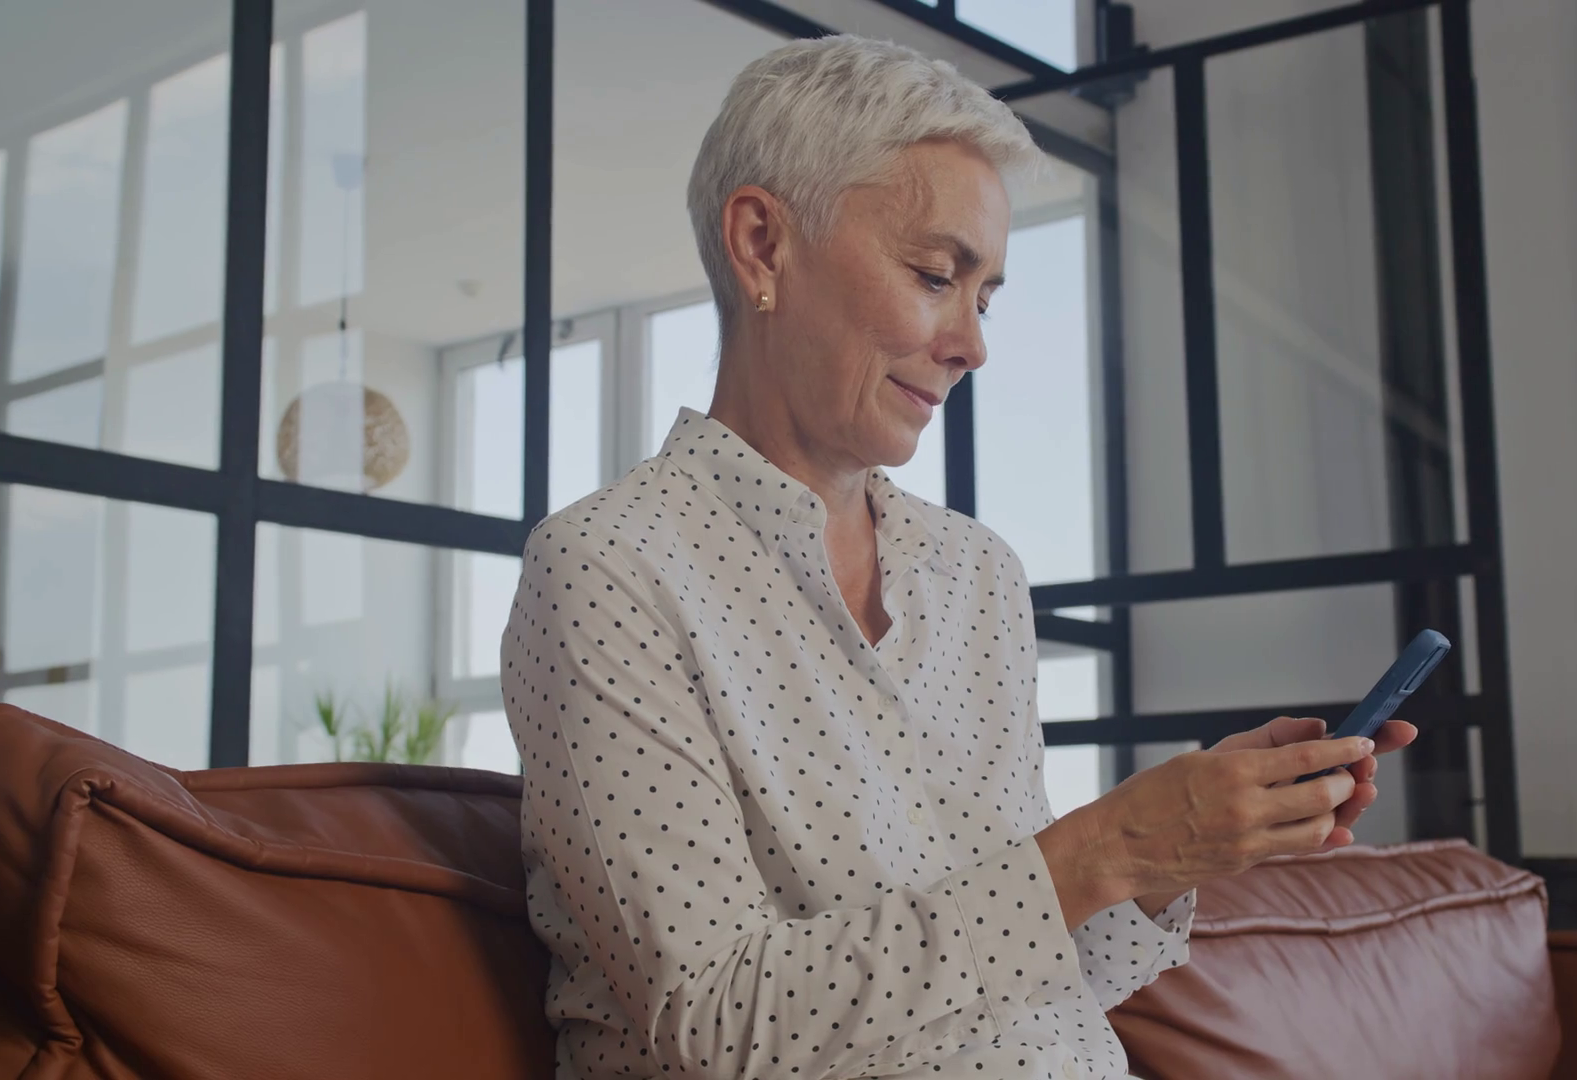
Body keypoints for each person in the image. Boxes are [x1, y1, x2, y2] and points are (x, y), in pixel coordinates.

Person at [500, 34, 1416, 1080]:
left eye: (985, 298)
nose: (973, 345)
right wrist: (1106, 847)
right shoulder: (609, 570)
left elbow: (1037, 966)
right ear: (761, 246)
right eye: (937, 275)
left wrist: (1174, 855)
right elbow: (714, 1024)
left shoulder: (977, 575)